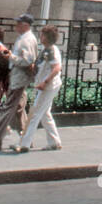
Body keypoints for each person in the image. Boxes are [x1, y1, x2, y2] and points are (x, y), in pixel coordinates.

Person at [0, 13, 38, 150]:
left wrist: (8, 55)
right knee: (18, 107)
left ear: (25, 25)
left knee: (7, 109)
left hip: (19, 78)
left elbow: (27, 61)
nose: (16, 26)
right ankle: (26, 139)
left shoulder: (27, 40)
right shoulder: (25, 38)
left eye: (18, 23)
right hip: (18, 77)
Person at [14, 24, 63, 153]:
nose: (40, 37)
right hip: (48, 85)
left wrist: (44, 82)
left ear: (47, 37)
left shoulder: (51, 50)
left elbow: (57, 68)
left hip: (48, 86)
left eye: (42, 34)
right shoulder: (47, 50)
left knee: (34, 113)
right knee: (45, 114)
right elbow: (39, 66)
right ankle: (54, 142)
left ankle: (24, 144)